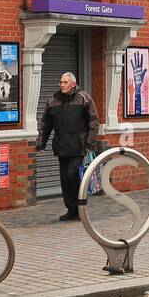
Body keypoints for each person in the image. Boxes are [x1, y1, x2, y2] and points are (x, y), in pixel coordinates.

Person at [38, 72, 100, 221]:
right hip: (61, 147)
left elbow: (94, 122)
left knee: (72, 174)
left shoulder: (84, 98)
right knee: (65, 179)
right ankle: (71, 209)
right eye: (61, 82)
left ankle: (80, 207)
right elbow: (46, 124)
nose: (62, 85)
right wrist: (41, 143)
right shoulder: (53, 101)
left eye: (65, 82)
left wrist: (90, 143)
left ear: (73, 84)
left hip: (79, 146)